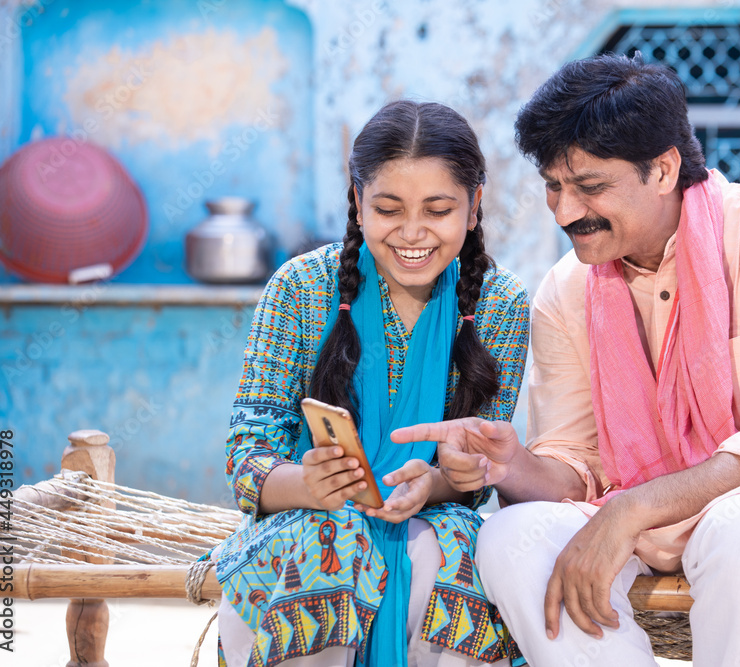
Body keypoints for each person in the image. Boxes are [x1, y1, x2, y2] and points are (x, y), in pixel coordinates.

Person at [392, 54, 740, 666]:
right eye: (553, 186)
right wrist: (510, 463)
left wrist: (633, 507)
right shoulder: (568, 290)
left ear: (664, 169)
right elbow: (577, 470)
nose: (566, 212)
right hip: (643, 525)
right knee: (512, 537)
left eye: (590, 187)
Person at [209, 100, 530, 667]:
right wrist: (308, 485)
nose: (412, 234)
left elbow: (477, 479)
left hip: (434, 524)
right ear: (358, 203)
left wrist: (434, 482)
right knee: (332, 546)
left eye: (438, 210)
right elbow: (245, 454)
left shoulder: (500, 307)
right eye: (388, 209)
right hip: (305, 522)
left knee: (458, 564)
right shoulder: (302, 289)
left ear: (474, 207)